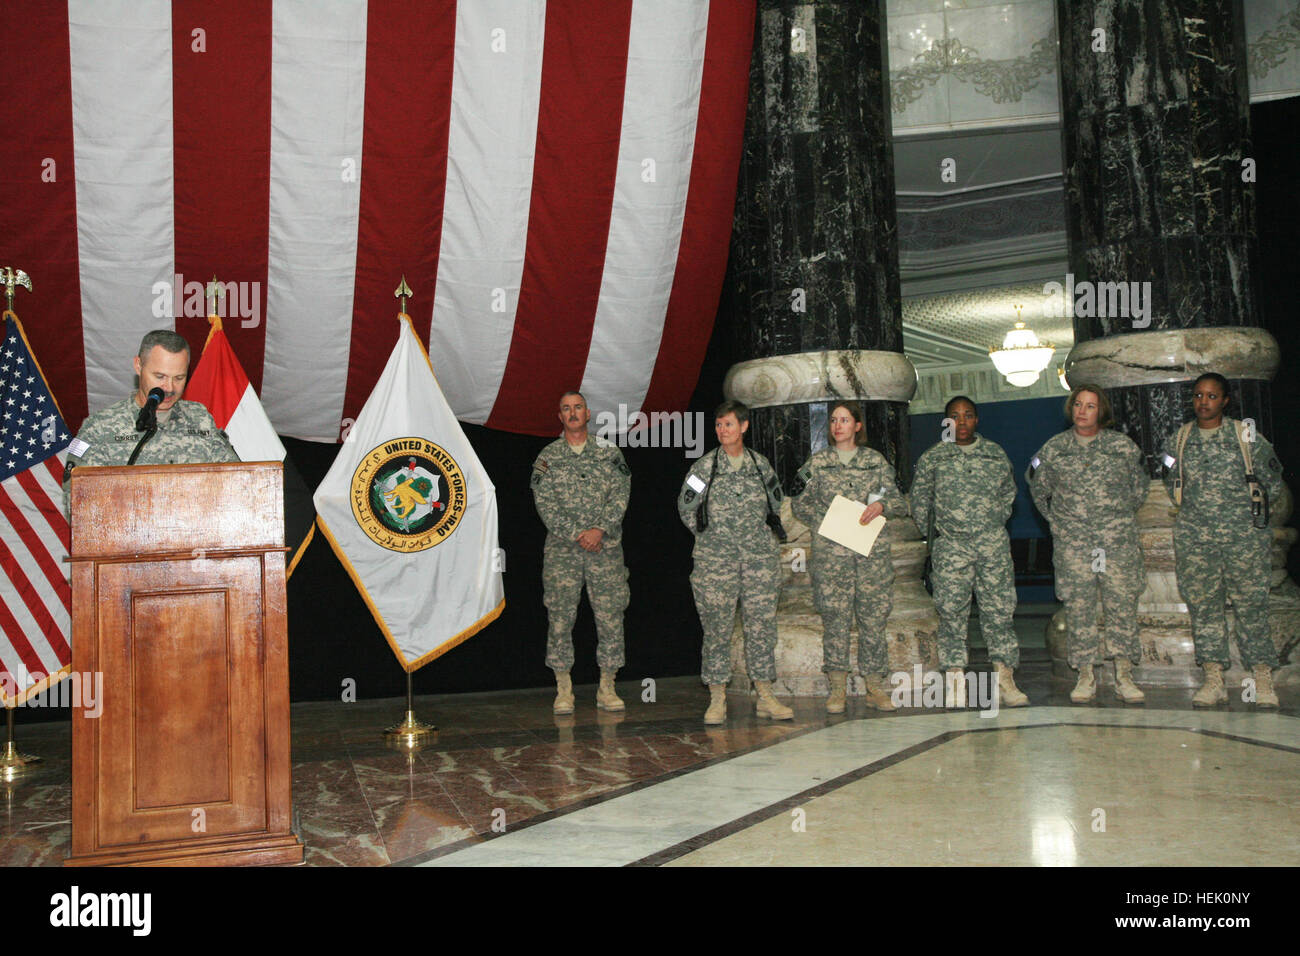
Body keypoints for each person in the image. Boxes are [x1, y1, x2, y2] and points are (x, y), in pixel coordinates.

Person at [1162, 372, 1284, 709]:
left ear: (1225, 400)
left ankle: (1261, 678)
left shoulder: (1245, 434)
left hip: (1243, 539)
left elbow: (1272, 480)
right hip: (1196, 540)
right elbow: (1170, 480)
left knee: (1252, 607)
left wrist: (1249, 514)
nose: (1204, 402)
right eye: (1199, 396)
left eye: (1212, 396)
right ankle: (1213, 678)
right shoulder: (1179, 439)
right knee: (1204, 608)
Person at [1027, 384, 1147, 704]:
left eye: (1090, 406)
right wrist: (1059, 524)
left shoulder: (1122, 447)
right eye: (1078, 404)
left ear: (1101, 411)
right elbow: (1039, 491)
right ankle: (1085, 675)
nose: (1082, 411)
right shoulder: (1054, 449)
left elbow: (1138, 490)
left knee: (1121, 605)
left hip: (1115, 542)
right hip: (1075, 545)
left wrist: (1114, 521)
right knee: (1079, 608)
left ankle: (1123, 674)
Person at [678, 400, 790, 724]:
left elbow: (776, 502)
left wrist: (762, 538)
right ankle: (717, 697)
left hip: (759, 561)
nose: (723, 430)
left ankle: (765, 695)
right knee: (717, 630)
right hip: (717, 563)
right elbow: (686, 506)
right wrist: (708, 538)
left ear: (743, 426)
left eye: (729, 424)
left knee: (762, 628)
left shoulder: (760, 465)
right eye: (718, 425)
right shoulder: (704, 468)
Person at [910, 395, 1028, 707]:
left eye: (968, 416)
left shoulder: (994, 454)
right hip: (951, 548)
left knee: (999, 612)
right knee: (951, 614)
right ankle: (955, 680)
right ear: (945, 422)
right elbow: (920, 503)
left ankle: (1005, 678)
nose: (961, 422)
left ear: (977, 420)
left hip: (992, 547)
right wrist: (937, 538)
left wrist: (990, 524)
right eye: (954, 416)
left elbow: (1008, 494)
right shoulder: (933, 458)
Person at [791, 402, 906, 713]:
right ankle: (838, 688)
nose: (837, 425)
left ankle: (874, 686)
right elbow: (799, 504)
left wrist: (881, 507)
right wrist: (826, 522)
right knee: (835, 621)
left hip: (871, 558)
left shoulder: (875, 462)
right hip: (832, 559)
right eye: (833, 420)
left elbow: (896, 499)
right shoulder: (817, 464)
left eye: (844, 420)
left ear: (857, 426)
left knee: (873, 620)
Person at [530, 391, 631, 714]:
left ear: (588, 414)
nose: (572, 413)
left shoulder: (609, 452)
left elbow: (621, 493)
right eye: (566, 409)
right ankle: (563, 688)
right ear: (559, 417)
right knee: (560, 618)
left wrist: (599, 529)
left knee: (611, 616)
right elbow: (544, 504)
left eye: (578, 408)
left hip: (606, 548)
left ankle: (607, 686)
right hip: (563, 552)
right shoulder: (547, 457)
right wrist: (577, 534)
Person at [63, 329, 238, 513]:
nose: (169, 388)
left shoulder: (200, 419)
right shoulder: (99, 427)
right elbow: (76, 500)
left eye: (179, 378)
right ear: (138, 366)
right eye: (160, 377)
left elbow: (238, 480)